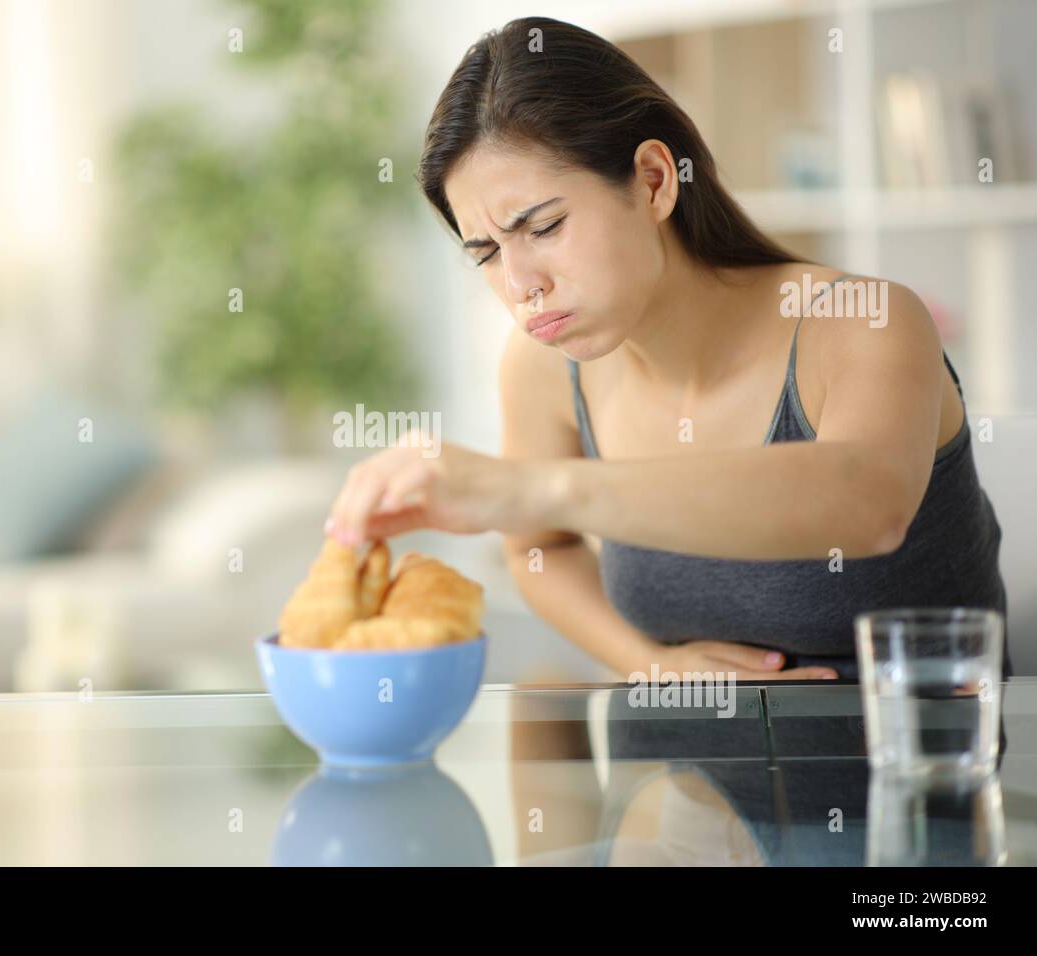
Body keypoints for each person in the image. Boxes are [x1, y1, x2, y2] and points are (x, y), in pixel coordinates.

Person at [324, 17, 1012, 682]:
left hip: (922, 782)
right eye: (487, 253)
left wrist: (526, 487)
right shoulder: (542, 365)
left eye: (545, 226)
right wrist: (650, 665)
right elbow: (539, 548)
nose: (521, 284)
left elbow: (865, 505)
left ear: (654, 180)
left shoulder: (864, 322)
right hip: (683, 778)